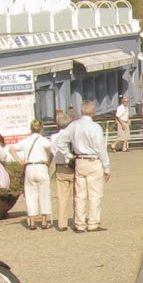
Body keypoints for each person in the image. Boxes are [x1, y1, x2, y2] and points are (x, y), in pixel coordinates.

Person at [59, 99, 112, 231]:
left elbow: (60, 141)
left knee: (80, 195)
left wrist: (69, 155)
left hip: (80, 161)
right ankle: (93, 223)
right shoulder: (95, 128)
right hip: (93, 161)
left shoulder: (74, 125)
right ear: (93, 112)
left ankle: (79, 224)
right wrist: (106, 167)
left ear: (82, 111)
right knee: (95, 194)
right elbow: (101, 149)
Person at [19, 118, 55, 230]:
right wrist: (48, 161)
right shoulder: (43, 140)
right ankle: (44, 221)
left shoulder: (25, 141)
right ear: (41, 128)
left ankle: (32, 222)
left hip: (29, 167)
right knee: (44, 194)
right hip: (41, 166)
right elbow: (52, 150)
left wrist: (20, 162)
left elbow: (12, 149)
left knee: (30, 195)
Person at [50, 108, 78, 231]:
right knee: (76, 196)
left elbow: (52, 151)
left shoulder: (53, 137)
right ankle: (77, 220)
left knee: (62, 197)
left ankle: (62, 223)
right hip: (72, 166)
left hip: (60, 167)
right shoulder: (72, 135)